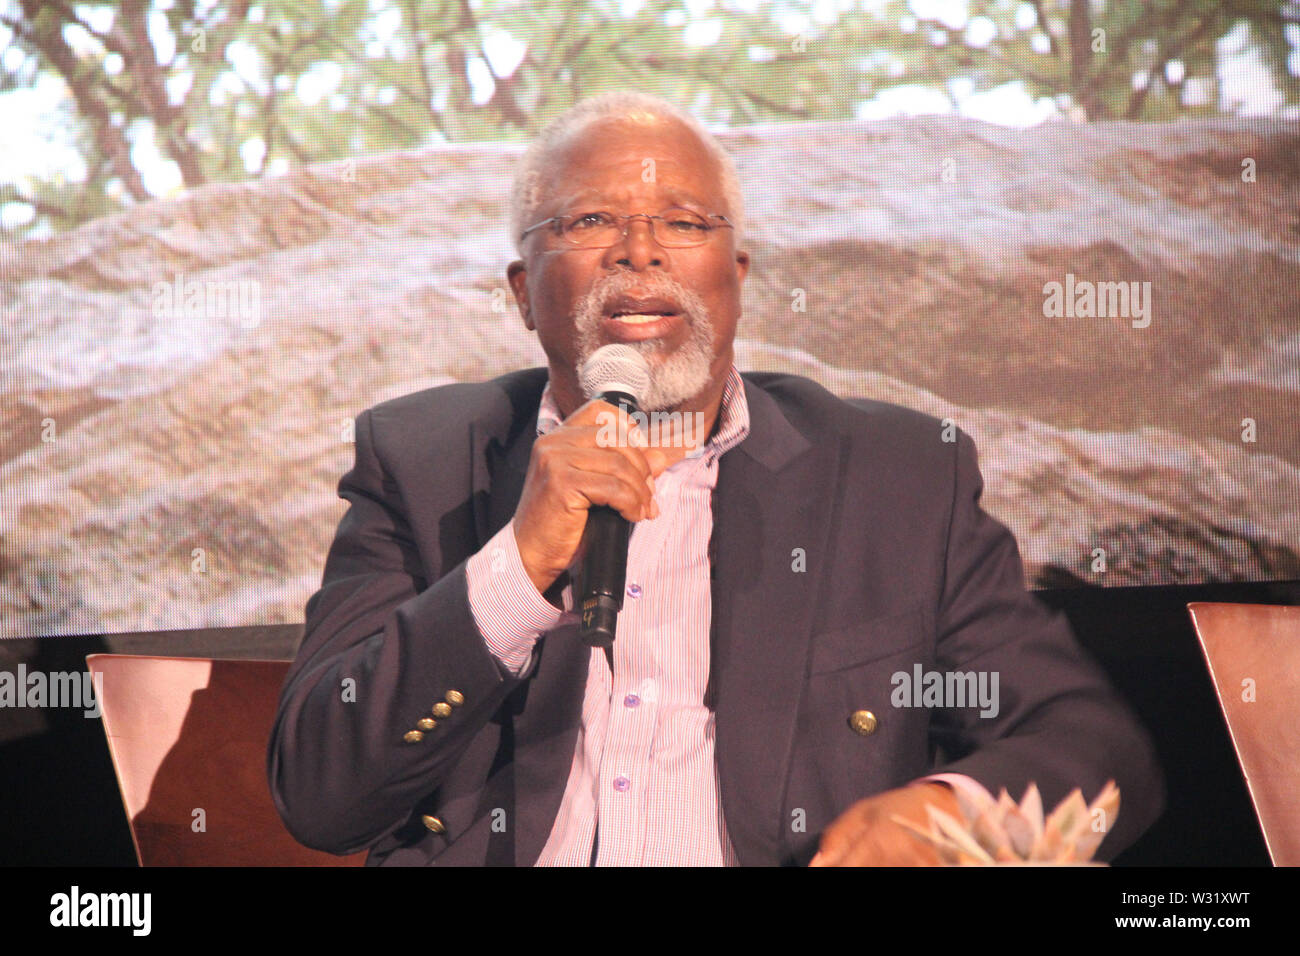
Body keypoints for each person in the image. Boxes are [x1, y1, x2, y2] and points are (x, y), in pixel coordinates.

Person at [267, 92, 1164, 866]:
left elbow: (1089, 745)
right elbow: (319, 797)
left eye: (685, 223)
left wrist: (947, 811)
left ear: (735, 275)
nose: (641, 251)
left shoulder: (895, 478)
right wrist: (515, 567)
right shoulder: (421, 461)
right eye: (589, 222)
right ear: (522, 290)